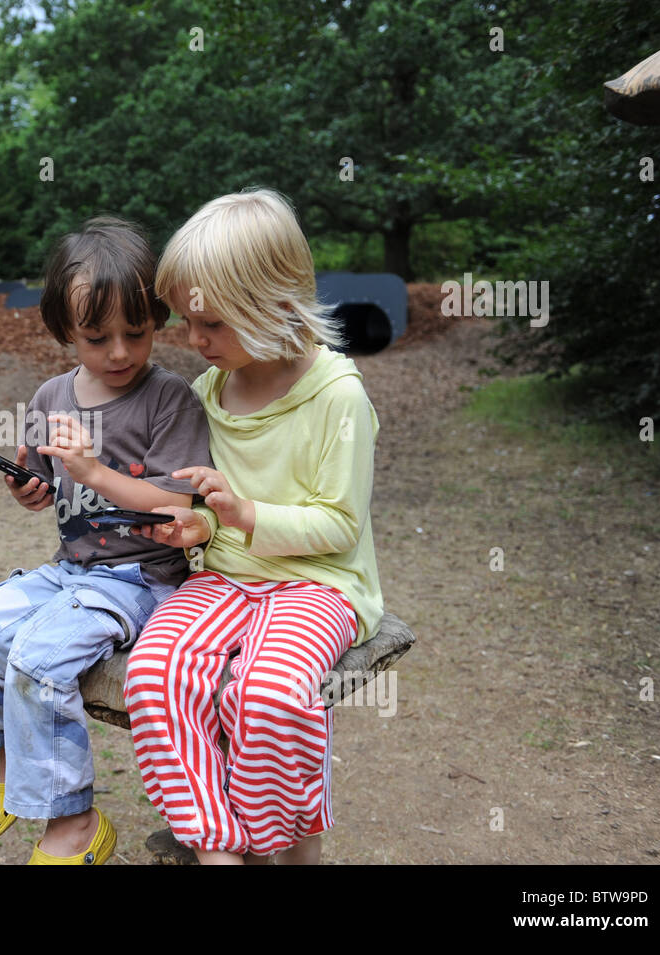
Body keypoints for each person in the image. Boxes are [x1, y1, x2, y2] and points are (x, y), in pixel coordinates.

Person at [123, 188, 384, 865]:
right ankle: (219, 846)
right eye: (187, 320)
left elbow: (339, 525)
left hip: (318, 585)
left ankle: (291, 846)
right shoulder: (212, 391)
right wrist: (198, 529)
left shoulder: (337, 396)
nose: (193, 339)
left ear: (274, 303)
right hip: (228, 580)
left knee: (267, 693)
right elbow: (210, 510)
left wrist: (245, 514)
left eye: (210, 323)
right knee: (156, 672)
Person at [0, 217, 212, 864]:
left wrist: (95, 471)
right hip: (70, 570)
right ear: (66, 330)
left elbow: (176, 501)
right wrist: (29, 489)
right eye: (98, 337)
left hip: (139, 580)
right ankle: (12, 774)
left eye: (136, 332)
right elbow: (43, 481)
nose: (119, 352)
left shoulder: (168, 400)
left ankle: (74, 821)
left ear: (156, 319)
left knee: (38, 658)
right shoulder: (50, 396)